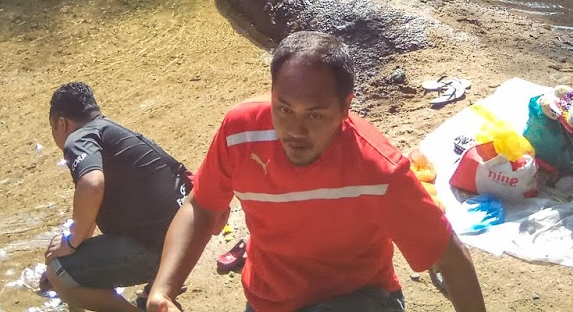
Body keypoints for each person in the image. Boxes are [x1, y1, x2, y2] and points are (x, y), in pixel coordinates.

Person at [145, 31, 487, 312]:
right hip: (268, 301)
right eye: (284, 108)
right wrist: (163, 290)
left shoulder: (379, 170)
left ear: (345, 107)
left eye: (315, 114)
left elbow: (449, 255)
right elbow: (201, 206)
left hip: (359, 300)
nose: (295, 130)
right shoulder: (240, 133)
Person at [41, 82, 191, 310]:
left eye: (53, 128)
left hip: (162, 249)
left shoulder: (79, 137)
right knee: (76, 251)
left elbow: (92, 184)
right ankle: (157, 289)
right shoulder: (111, 131)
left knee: (59, 270)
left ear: (61, 123)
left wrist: (70, 242)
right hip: (187, 240)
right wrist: (77, 240)